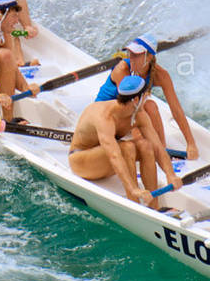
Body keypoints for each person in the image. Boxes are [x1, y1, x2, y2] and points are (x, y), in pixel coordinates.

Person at [68, 74, 175, 209]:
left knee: (145, 145)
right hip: (81, 161)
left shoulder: (139, 114)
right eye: (145, 96)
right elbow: (114, 155)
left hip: (104, 160)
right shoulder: (104, 117)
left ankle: (154, 207)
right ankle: (135, 204)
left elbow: (157, 147)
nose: (147, 99)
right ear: (136, 99)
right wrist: (133, 188)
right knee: (127, 147)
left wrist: (171, 175)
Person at [94, 33, 199, 160]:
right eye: (130, 53)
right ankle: (153, 152)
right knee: (143, 112)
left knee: (151, 106)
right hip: (103, 113)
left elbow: (176, 109)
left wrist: (191, 143)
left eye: (136, 55)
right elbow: (129, 107)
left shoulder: (161, 75)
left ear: (149, 57)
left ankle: (162, 150)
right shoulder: (122, 69)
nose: (131, 58)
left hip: (125, 114)